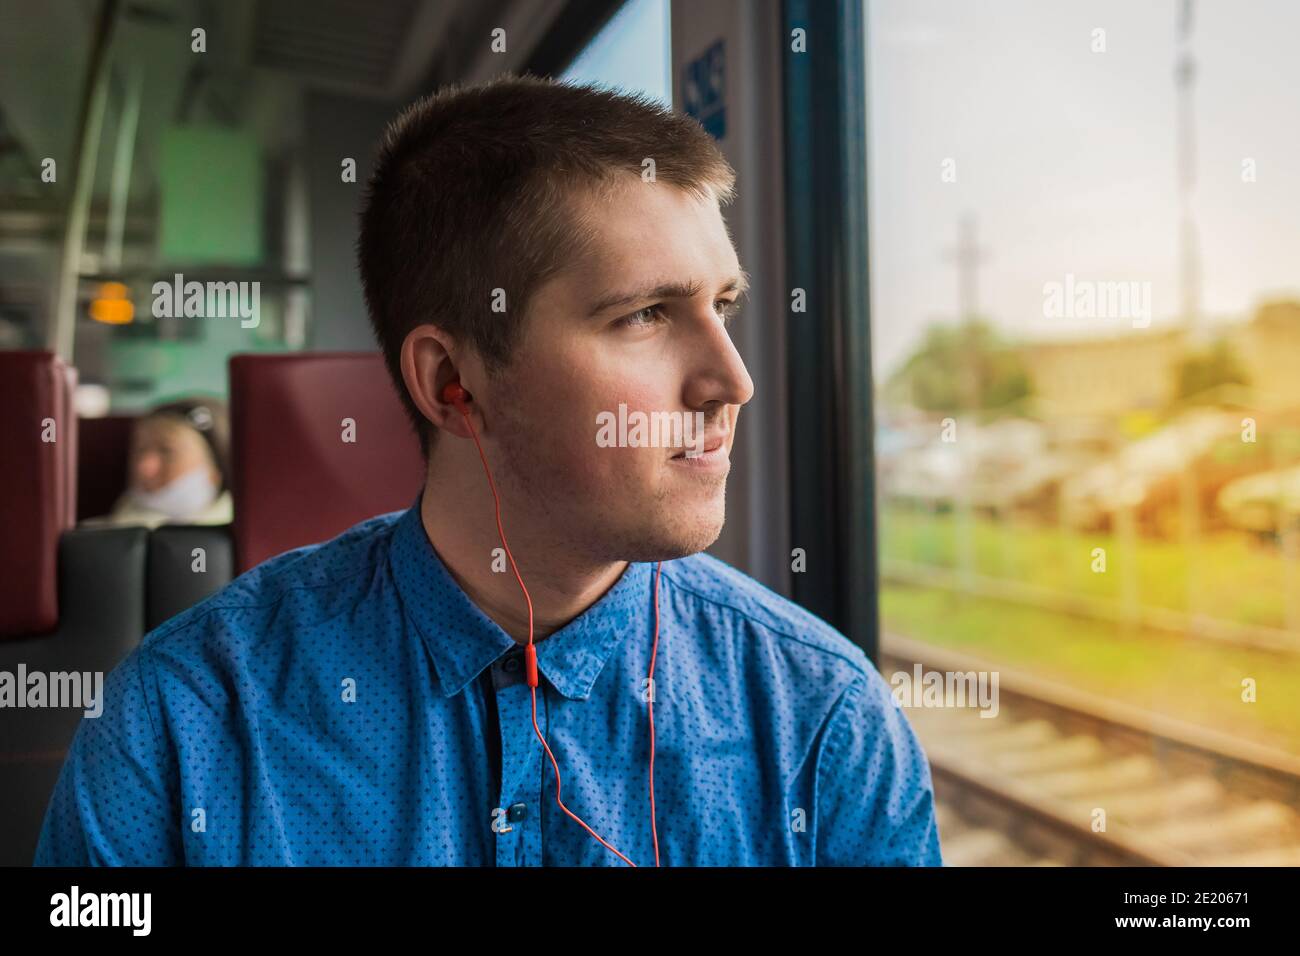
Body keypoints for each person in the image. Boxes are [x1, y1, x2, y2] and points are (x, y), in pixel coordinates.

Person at [35, 76, 942, 866]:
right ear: (454, 383)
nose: (732, 381)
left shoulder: (823, 721)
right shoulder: (183, 724)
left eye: (724, 305)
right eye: (645, 316)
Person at [81, 398, 232, 529]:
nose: (144, 467)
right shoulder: (87, 538)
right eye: (140, 450)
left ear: (215, 468)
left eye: (167, 451)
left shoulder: (245, 548)